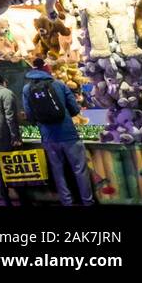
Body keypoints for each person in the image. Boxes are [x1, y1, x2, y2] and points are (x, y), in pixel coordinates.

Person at [22, 58, 94, 206]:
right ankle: (87, 202)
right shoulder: (59, 85)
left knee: (58, 171)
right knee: (79, 170)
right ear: (47, 70)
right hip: (68, 134)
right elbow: (74, 109)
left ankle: (67, 202)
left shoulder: (26, 89)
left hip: (48, 137)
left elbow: (29, 115)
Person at [0, 72, 29, 206]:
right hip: (5, 137)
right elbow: (11, 117)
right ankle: (23, 201)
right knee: (14, 169)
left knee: (1, 171)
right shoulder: (6, 93)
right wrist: (16, 137)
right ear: (3, 82)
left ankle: (6, 200)